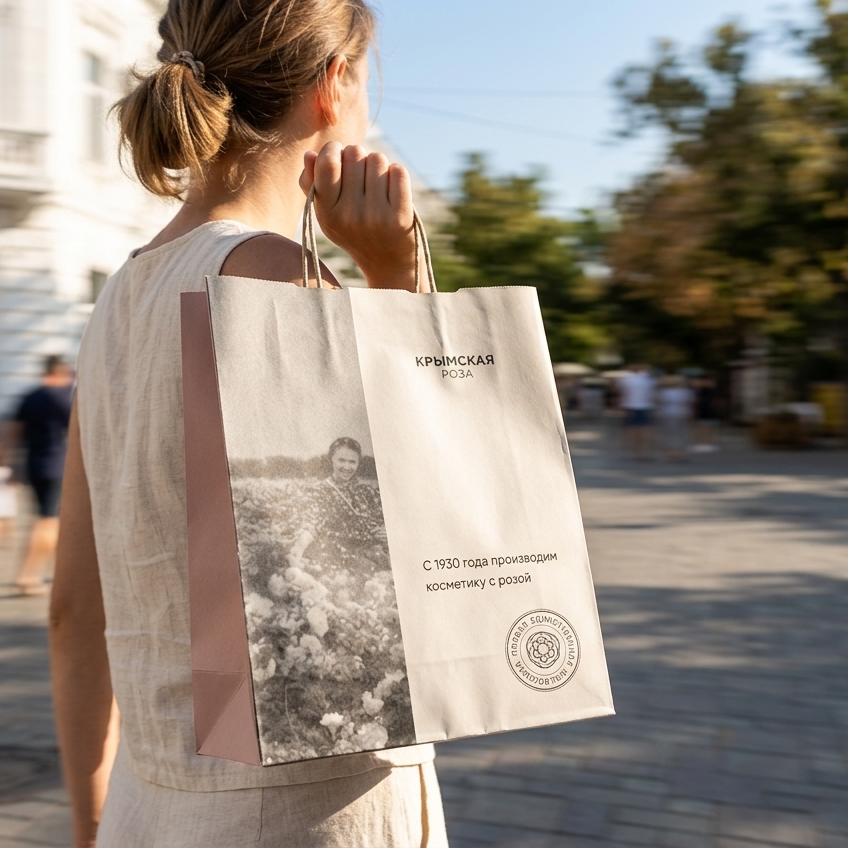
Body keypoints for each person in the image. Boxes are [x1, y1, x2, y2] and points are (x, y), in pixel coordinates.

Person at [48, 2, 447, 846]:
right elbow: (427, 547)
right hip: (308, 808)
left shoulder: (119, 295)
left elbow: (74, 610)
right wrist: (396, 276)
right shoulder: (273, 279)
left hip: (148, 805)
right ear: (332, 85)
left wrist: (93, 825)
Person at [5, 355, 74, 595]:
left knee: (45, 519)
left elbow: (15, 432)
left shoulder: (30, 397)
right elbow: (75, 431)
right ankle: (29, 575)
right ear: (59, 372)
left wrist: (11, 465)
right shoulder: (61, 399)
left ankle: (38, 574)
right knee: (48, 521)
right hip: (56, 466)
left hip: (34, 465)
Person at [290, 437, 389, 573]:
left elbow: (387, 518)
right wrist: (299, 546)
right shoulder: (320, 490)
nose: (347, 467)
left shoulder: (367, 492)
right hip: (343, 557)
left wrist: (387, 530)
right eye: (341, 460)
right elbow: (311, 523)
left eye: (352, 462)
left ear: (358, 463)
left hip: (376, 552)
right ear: (332, 459)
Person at [617, 364, 656, 458]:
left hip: (629, 406)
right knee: (645, 430)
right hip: (646, 406)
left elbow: (621, 393)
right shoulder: (649, 380)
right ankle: (643, 451)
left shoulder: (626, 379)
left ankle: (633, 451)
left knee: (631, 430)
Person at [656, 375, 694, 461]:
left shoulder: (663, 392)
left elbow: (658, 401)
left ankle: (669, 452)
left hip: (666, 413)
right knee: (681, 434)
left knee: (667, 434)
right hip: (682, 414)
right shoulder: (686, 391)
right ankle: (680, 452)